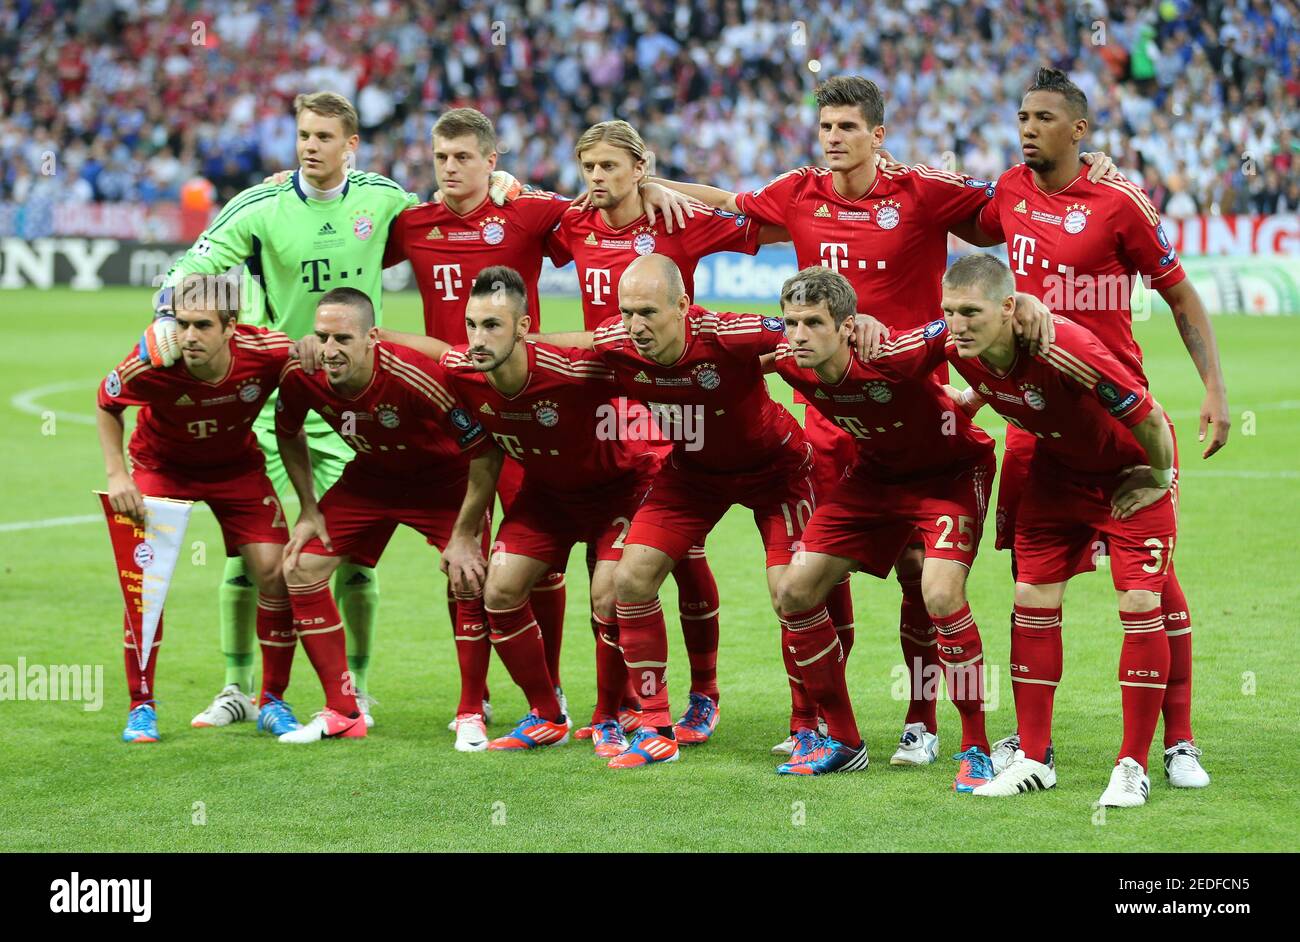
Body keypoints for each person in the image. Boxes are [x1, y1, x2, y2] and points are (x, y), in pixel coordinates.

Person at [650, 76, 1100, 760]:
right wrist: (657, 188)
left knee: (924, 578)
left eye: (847, 128)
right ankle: (816, 723)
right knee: (814, 581)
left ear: (878, 135)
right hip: (831, 424)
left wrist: (1089, 173)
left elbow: (1012, 210)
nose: (834, 139)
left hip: (919, 413)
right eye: (826, 127)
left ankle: (922, 720)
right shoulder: (798, 192)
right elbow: (733, 207)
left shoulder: (922, 190)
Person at [964, 68, 1225, 787]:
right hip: (1036, 430)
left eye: (1043, 117)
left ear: (1079, 130)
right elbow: (947, 220)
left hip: (1112, 412)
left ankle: (1175, 743)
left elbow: (1180, 295)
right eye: (1022, 115)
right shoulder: (1009, 192)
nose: (1026, 127)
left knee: (1151, 591)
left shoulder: (1118, 203)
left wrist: (1215, 389)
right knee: (1032, 581)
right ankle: (1032, 743)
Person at [532, 254, 884, 770]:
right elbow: (574, 345)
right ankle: (655, 726)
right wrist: (507, 348)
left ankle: (808, 724)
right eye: (627, 311)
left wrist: (869, 324)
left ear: (682, 306)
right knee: (628, 581)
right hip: (692, 474)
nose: (635, 325)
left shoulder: (732, 333)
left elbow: (811, 331)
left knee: (791, 593)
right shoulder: (617, 341)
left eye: (648, 312)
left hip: (777, 472)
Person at [139, 92, 418, 729]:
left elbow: (445, 219)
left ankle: (358, 687)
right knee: (251, 555)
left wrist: (503, 182)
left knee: (348, 555)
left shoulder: (381, 197)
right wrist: (165, 313)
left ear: (351, 144)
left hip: (352, 404)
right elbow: (200, 260)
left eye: (324, 136)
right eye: (302, 134)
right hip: (275, 398)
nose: (309, 146)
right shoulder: (262, 205)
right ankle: (239, 688)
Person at [383, 266, 657, 756]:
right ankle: (546, 714)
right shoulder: (467, 370)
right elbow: (431, 350)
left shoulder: (574, 371)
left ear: (524, 327)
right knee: (501, 591)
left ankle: (609, 717)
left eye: (492, 325)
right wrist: (373, 334)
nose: (477, 337)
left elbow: (637, 360)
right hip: (547, 496)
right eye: (471, 324)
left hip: (616, 491)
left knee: (607, 598)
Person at [941, 254, 1179, 808]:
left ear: (1007, 308)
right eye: (950, 311)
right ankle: (1034, 755)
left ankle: (1132, 765)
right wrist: (973, 399)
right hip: (1057, 473)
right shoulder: (960, 347)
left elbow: (1146, 414)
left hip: (1130, 470)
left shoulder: (1064, 348)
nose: (958, 323)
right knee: (1029, 594)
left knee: (1142, 601)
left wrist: (1161, 477)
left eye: (971, 311)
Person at [770, 266, 1002, 784]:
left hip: (950, 475)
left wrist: (976, 395)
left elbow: (971, 329)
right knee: (794, 590)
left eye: (812, 322)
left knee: (939, 593)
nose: (799, 335)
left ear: (847, 327)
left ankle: (976, 745)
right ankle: (845, 740)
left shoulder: (892, 354)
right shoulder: (788, 360)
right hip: (875, 478)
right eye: (791, 323)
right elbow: (718, 346)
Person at [273, 288, 491, 745]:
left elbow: (483, 449)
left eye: (343, 340)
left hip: (443, 483)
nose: (330, 351)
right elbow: (288, 433)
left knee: (468, 576)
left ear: (371, 338)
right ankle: (344, 710)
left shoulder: (414, 376)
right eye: (322, 337)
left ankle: (473, 709)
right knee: (300, 568)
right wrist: (309, 510)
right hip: (371, 478)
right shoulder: (302, 374)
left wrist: (465, 533)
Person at [96, 276, 302, 743]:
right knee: (144, 585)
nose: (188, 336)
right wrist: (117, 476)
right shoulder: (152, 360)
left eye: (202, 326)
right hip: (161, 467)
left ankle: (272, 700)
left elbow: (306, 369)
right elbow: (106, 401)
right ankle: (141, 707)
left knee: (275, 571)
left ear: (231, 326)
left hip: (236, 469)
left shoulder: (268, 352)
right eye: (182, 324)